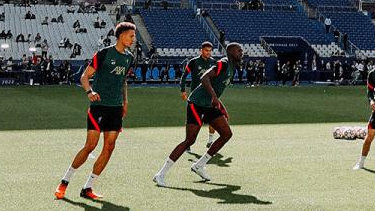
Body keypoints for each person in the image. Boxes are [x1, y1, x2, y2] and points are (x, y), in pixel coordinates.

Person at [55, 22, 136, 200]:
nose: (133, 39)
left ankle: (88, 187)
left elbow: (123, 80)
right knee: (91, 145)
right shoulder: (104, 53)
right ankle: (64, 182)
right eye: (131, 36)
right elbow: (85, 76)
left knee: (110, 146)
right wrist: (89, 92)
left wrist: (125, 101)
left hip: (116, 108)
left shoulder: (129, 58)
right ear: (121, 35)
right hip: (99, 106)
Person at [155, 43, 240, 186]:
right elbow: (204, 78)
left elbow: (216, 87)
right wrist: (214, 97)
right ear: (231, 52)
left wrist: (221, 106)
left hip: (209, 105)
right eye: (239, 50)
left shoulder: (232, 67)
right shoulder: (223, 63)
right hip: (197, 103)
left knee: (226, 134)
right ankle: (160, 174)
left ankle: (199, 165)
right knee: (190, 140)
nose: (241, 53)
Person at [179, 41, 218, 153]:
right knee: (191, 121)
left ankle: (210, 141)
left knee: (214, 118)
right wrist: (183, 90)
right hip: (195, 97)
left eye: (210, 51)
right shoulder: (194, 62)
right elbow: (184, 76)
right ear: (201, 50)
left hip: (209, 96)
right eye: (206, 50)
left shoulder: (214, 62)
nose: (208, 52)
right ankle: (188, 143)